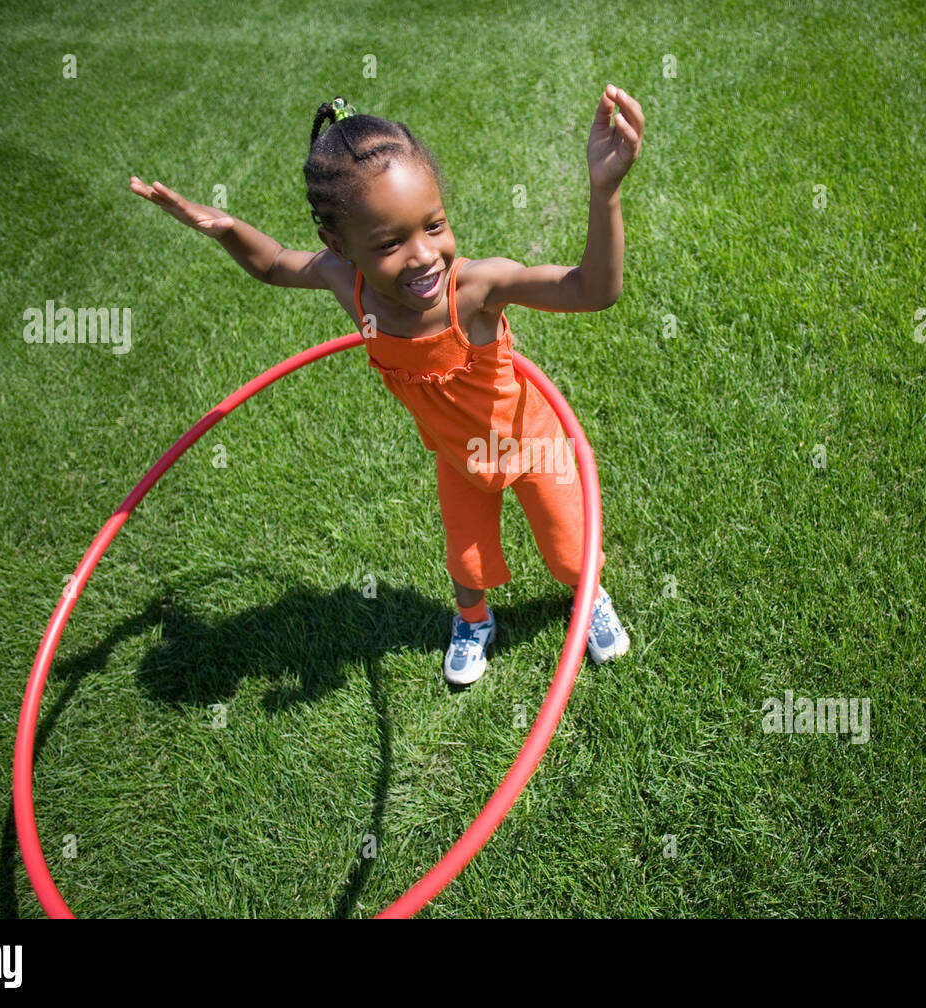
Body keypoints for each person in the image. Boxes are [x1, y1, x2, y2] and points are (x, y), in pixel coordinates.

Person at [130, 84, 643, 685]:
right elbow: (272, 264)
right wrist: (225, 229)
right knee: (465, 556)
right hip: (458, 455)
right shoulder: (343, 281)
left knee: (569, 550)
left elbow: (592, 290)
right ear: (339, 247)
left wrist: (604, 191)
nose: (423, 255)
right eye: (391, 243)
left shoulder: (476, 289)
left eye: (434, 225)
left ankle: (589, 596)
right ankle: (472, 620)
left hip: (530, 444)